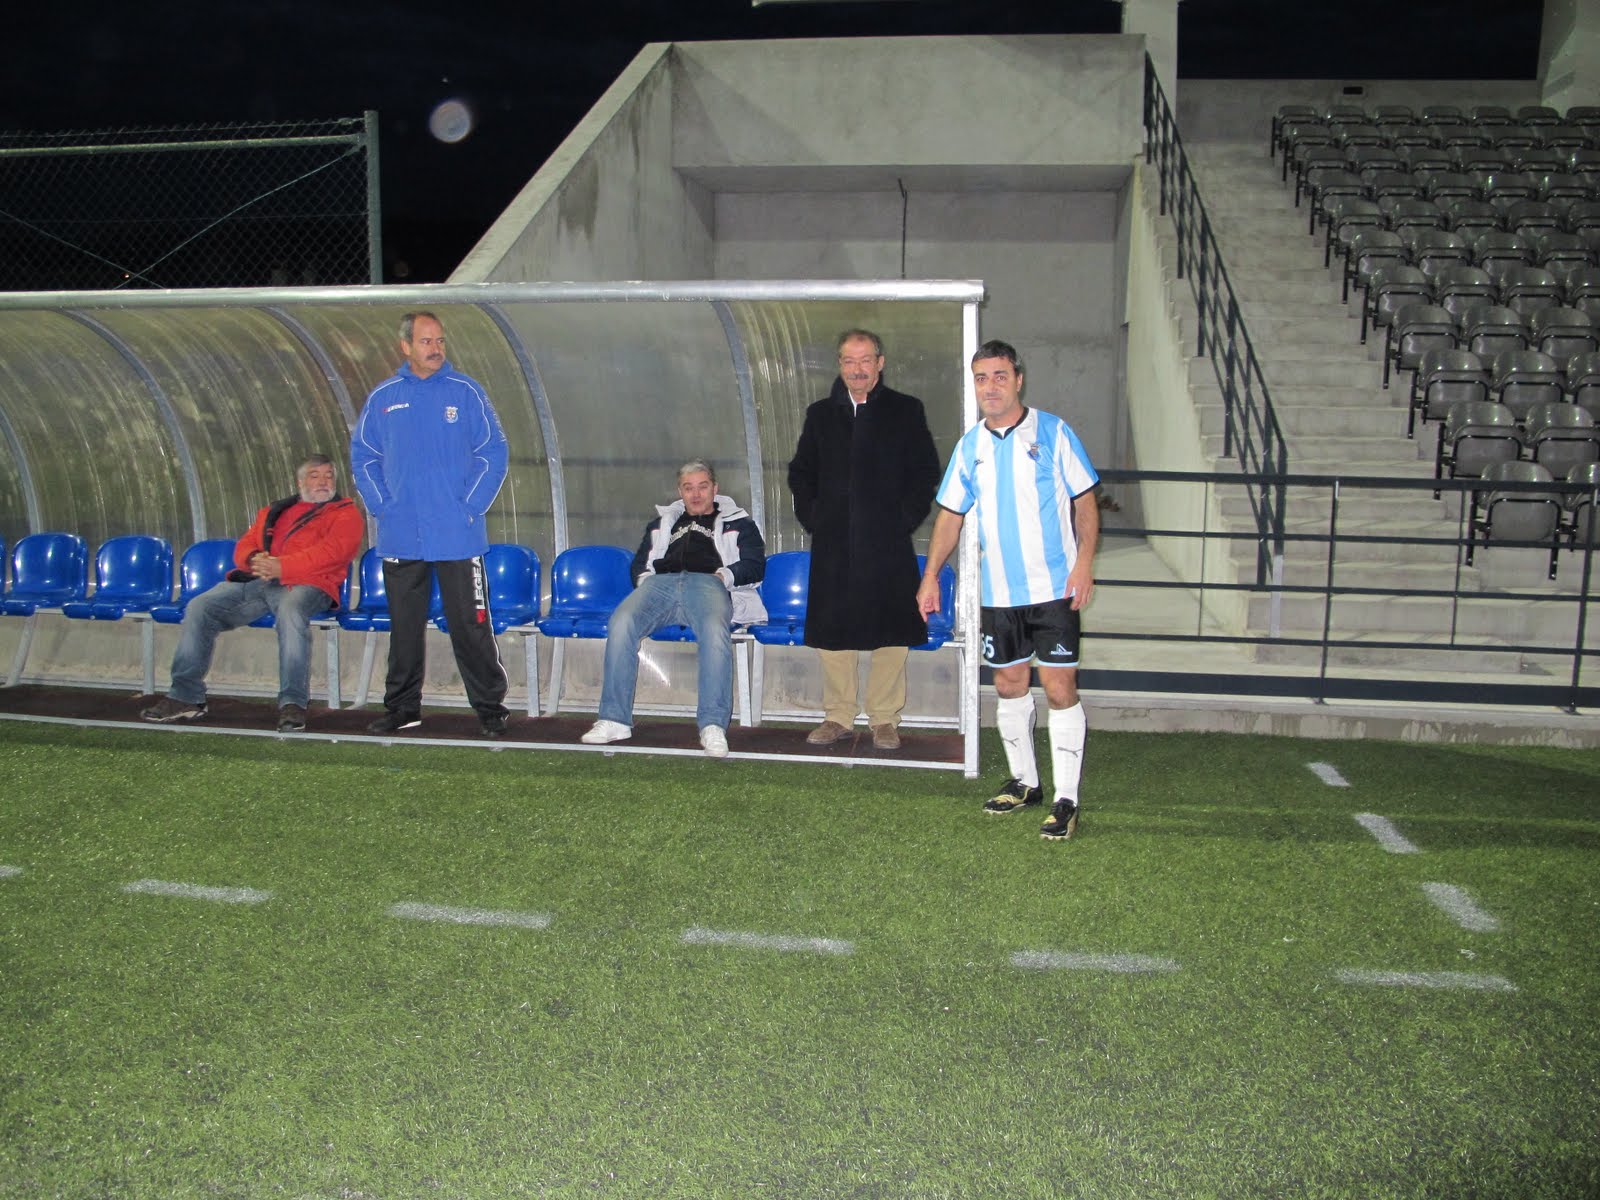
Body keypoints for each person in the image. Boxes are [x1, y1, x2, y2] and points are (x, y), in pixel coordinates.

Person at [916, 339, 1100, 841]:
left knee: (1059, 687)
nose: (991, 387)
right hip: (997, 594)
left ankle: (1066, 799)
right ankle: (1025, 783)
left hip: (1054, 589)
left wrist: (1084, 564)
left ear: (1018, 379)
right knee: (1008, 685)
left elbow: (1085, 501)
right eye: (981, 378)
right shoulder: (969, 446)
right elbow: (950, 516)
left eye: (1000, 376)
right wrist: (930, 576)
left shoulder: (1053, 432)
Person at [350, 311, 512, 737]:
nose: (436, 348)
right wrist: (383, 507)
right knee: (404, 629)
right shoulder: (384, 397)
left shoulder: (466, 391)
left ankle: (490, 708)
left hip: (458, 534)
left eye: (440, 340)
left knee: (471, 625)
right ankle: (403, 709)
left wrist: (469, 507)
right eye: (426, 341)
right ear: (405, 346)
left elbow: (494, 451)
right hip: (401, 534)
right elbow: (363, 457)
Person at [787, 328, 941, 751]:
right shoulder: (820, 415)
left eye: (865, 360)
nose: (857, 369)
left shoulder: (906, 410)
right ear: (840, 364)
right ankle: (838, 716)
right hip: (833, 544)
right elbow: (800, 473)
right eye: (849, 361)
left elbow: (925, 472)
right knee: (833, 631)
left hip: (888, 544)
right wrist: (815, 519)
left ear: (880, 363)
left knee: (891, 630)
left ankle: (884, 719)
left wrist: (902, 520)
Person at [140, 455, 363, 733]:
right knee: (200, 606)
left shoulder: (345, 513)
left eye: (329, 475)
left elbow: (333, 553)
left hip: (311, 584)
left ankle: (293, 702)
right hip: (261, 582)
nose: (323, 481)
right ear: (300, 482)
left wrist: (282, 566)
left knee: (291, 611)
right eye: (315, 475)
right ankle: (185, 696)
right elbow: (244, 546)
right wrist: (255, 559)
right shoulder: (275, 511)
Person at [581, 460, 766, 759]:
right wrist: (646, 582)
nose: (696, 494)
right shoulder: (662, 522)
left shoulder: (739, 522)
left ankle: (712, 725)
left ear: (715, 488)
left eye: (702, 486)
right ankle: (614, 720)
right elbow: (640, 564)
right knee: (621, 622)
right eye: (688, 488)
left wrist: (723, 576)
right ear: (680, 491)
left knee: (714, 630)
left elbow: (755, 566)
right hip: (661, 584)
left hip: (708, 582)